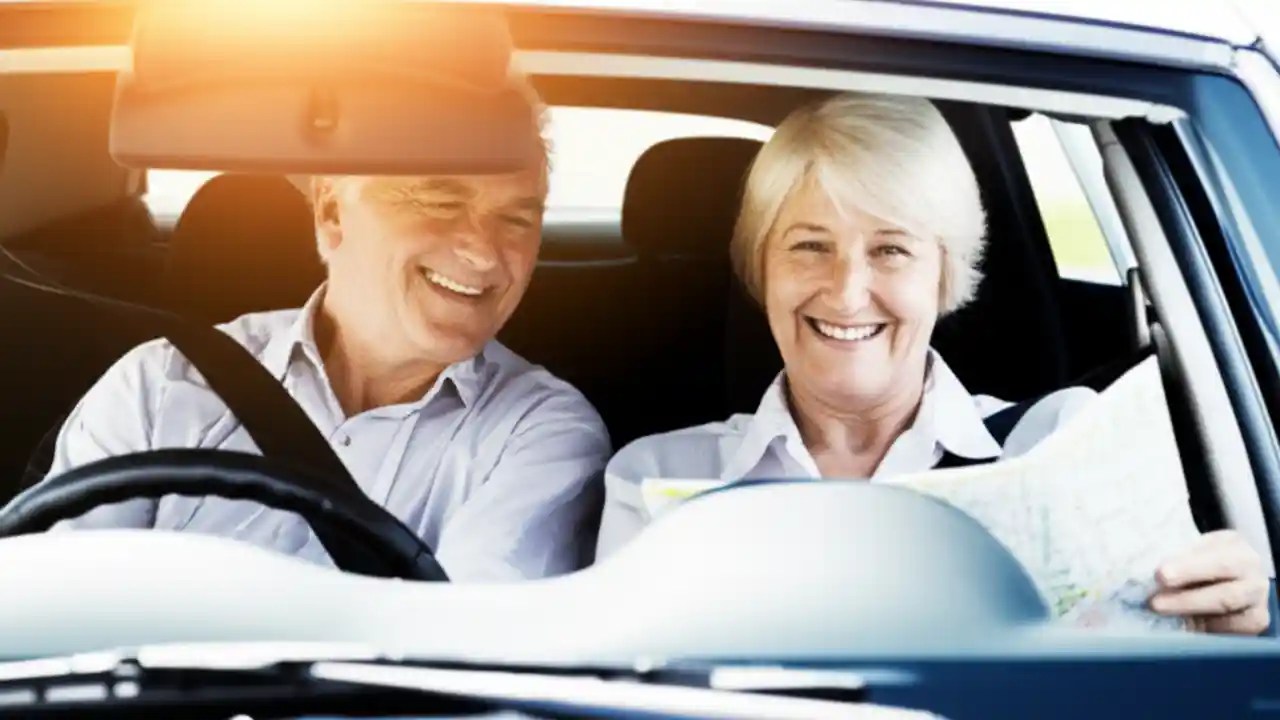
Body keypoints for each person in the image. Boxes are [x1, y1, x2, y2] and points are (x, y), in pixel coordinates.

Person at [597, 92, 1271, 635]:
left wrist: (1219, 633)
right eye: (809, 246)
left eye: (890, 250)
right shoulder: (657, 479)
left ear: (944, 273)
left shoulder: (1061, 447)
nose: (846, 290)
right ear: (760, 268)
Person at [43, 75, 611, 582]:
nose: (485, 253)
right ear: (332, 212)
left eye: (517, 218)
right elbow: (51, 618)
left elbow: (468, 663)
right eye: (439, 200)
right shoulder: (160, 385)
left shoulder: (539, 431)